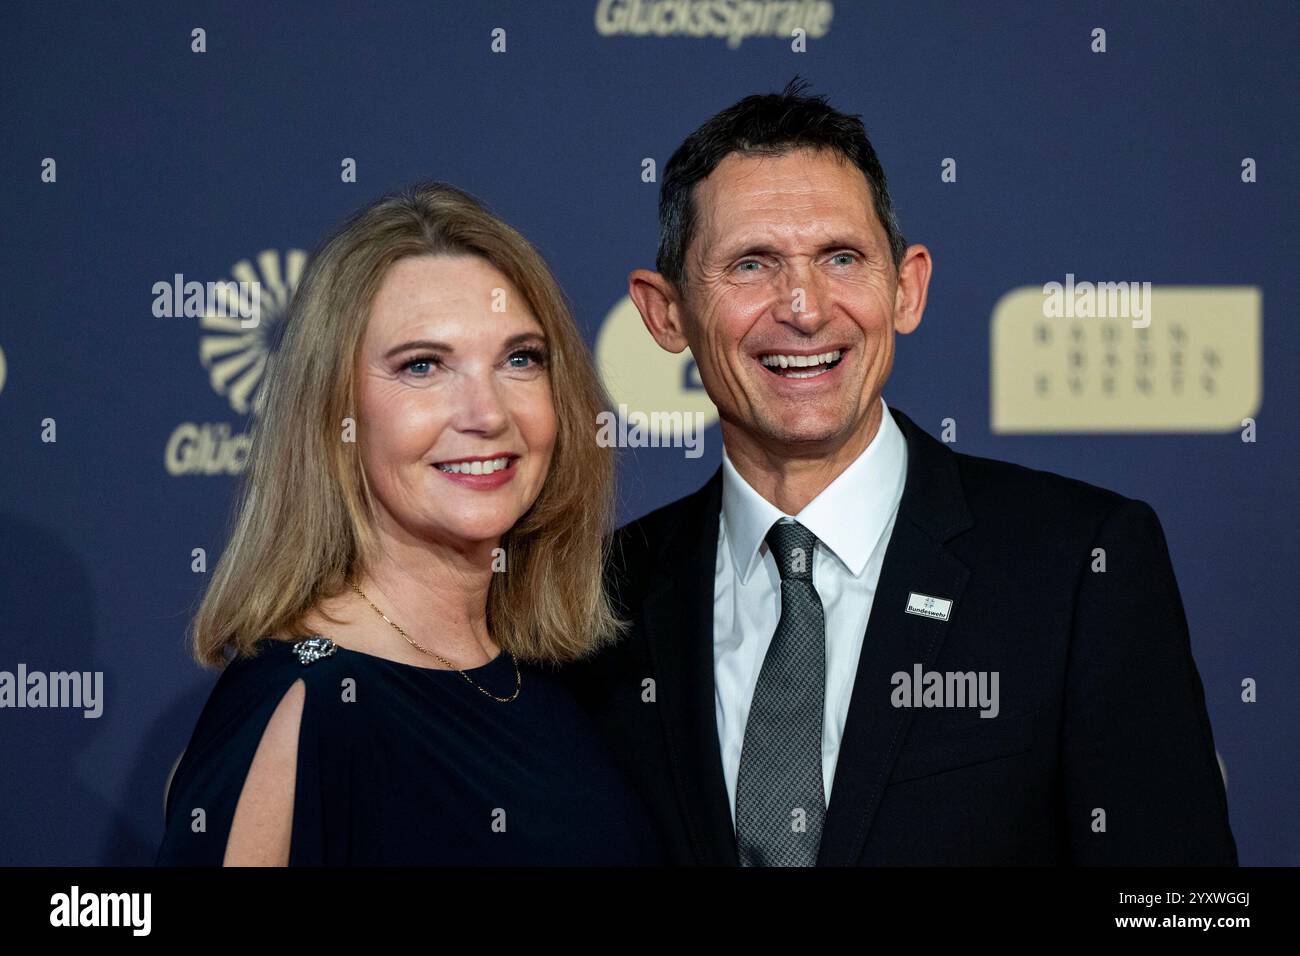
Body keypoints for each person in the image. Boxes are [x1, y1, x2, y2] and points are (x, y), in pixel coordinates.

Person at [557, 79, 1238, 866]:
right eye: (751, 265)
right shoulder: (598, 599)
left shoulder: (1081, 565)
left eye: (841, 258)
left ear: (906, 287)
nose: (804, 309)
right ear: (664, 313)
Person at [156, 181, 661, 866]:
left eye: (520, 359)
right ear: (336, 411)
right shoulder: (303, 706)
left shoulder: (557, 684)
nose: (485, 413)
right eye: (423, 366)